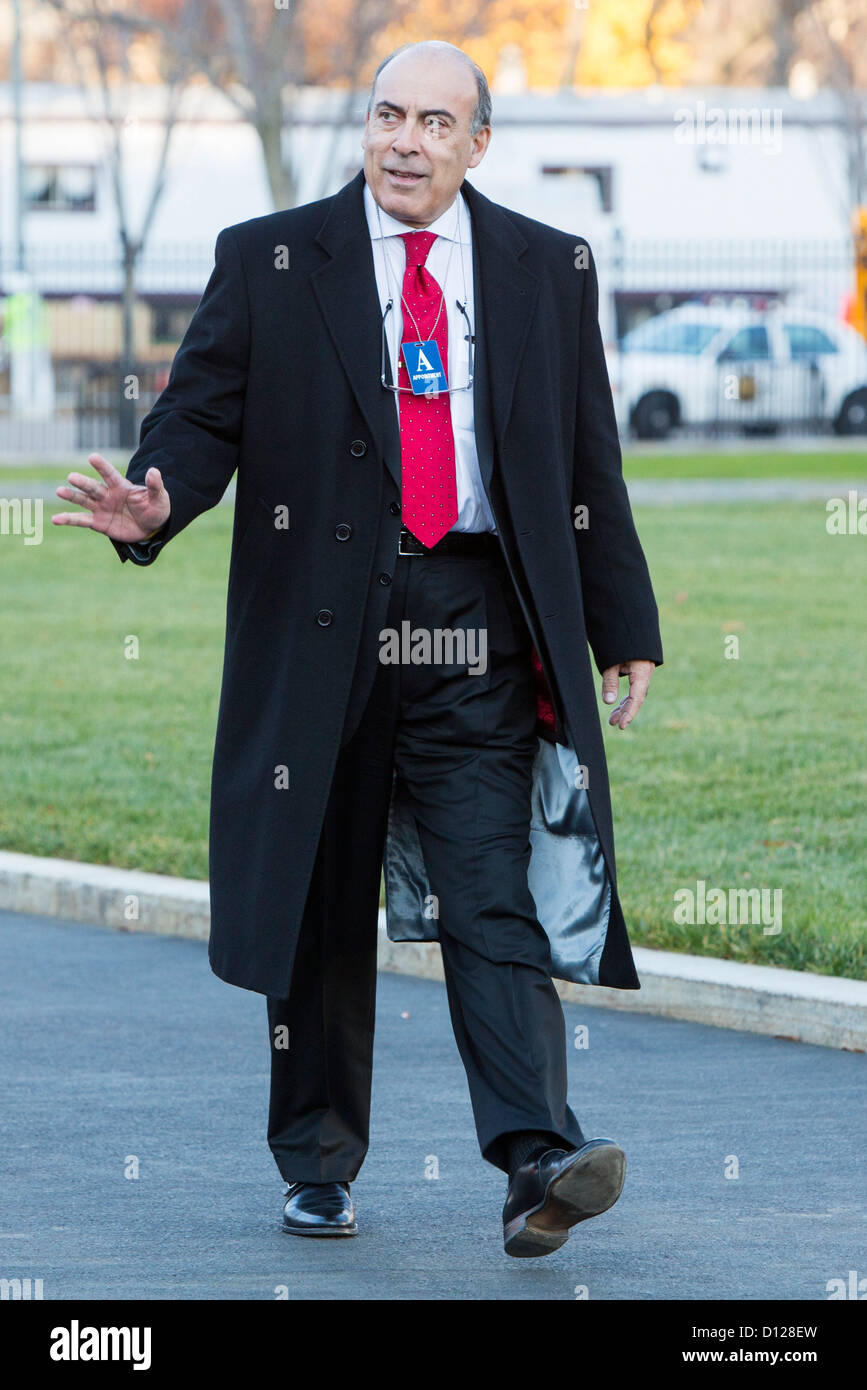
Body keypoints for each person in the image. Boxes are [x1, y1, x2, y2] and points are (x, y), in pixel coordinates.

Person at [54, 40, 662, 1259]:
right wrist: (160, 496)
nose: (405, 140)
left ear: (477, 143)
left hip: (479, 621)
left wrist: (622, 617)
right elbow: (201, 412)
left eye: (437, 122)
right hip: (323, 623)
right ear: (366, 124)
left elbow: (587, 453)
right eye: (388, 113)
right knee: (321, 899)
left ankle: (536, 1152)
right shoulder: (272, 259)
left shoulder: (548, 268)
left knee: (493, 894)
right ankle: (319, 1159)